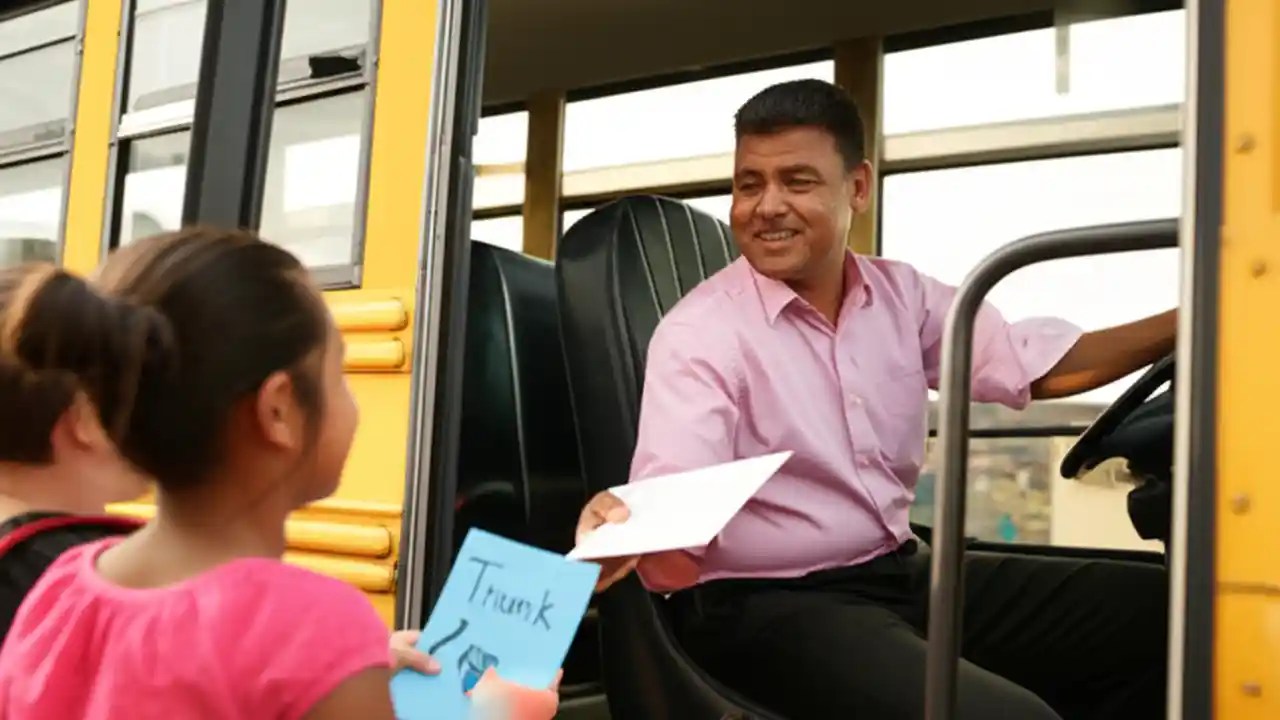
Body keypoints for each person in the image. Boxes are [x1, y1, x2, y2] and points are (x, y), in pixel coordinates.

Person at [577, 79, 1173, 720]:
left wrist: (1200, 317)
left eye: (797, 182)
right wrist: (626, 527)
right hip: (769, 606)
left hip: (896, 571)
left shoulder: (902, 297)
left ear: (857, 187)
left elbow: (1040, 367)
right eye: (749, 185)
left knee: (1163, 613)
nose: (767, 206)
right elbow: (673, 495)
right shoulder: (701, 334)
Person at [0, 232, 558, 719]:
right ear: (279, 410)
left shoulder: (61, 588)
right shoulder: (316, 627)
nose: (352, 402)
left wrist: (348, 671)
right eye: (339, 374)